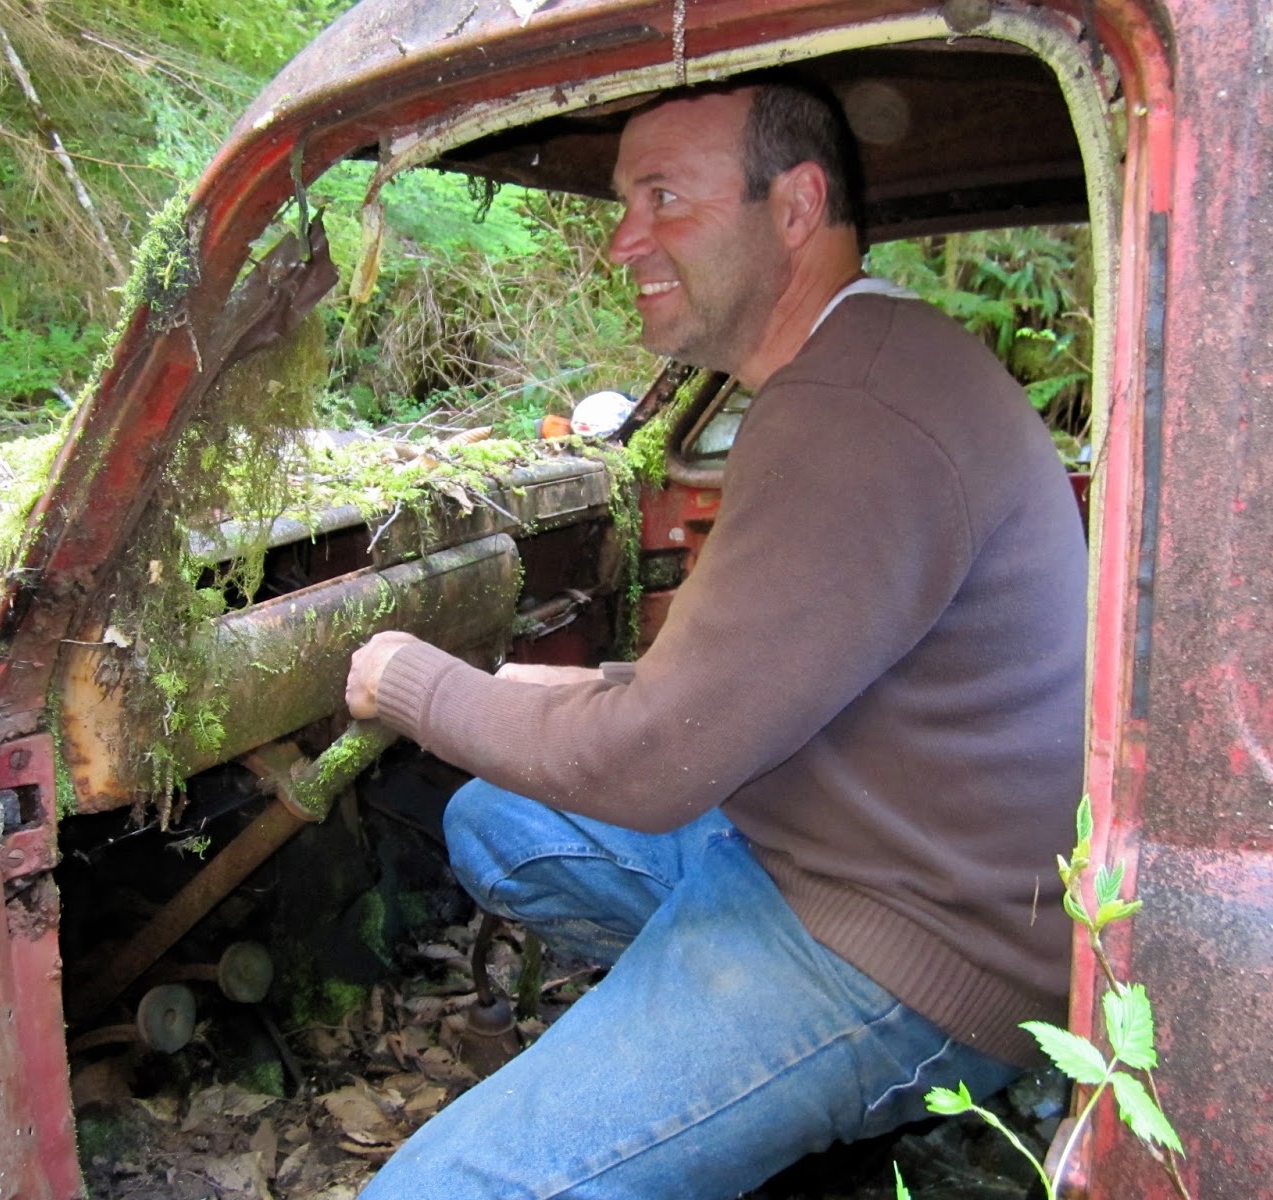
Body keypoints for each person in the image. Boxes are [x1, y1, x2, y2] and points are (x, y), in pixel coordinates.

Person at [344, 76, 1086, 1199]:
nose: (620, 242)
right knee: (496, 820)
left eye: (662, 197)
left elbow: (646, 765)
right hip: (832, 851)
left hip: (916, 948)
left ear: (793, 207)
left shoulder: (852, 412)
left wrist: (408, 679)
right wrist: (538, 691)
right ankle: (701, 1074)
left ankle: (740, 1068)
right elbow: (742, 677)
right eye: (620, 202)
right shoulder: (865, 363)